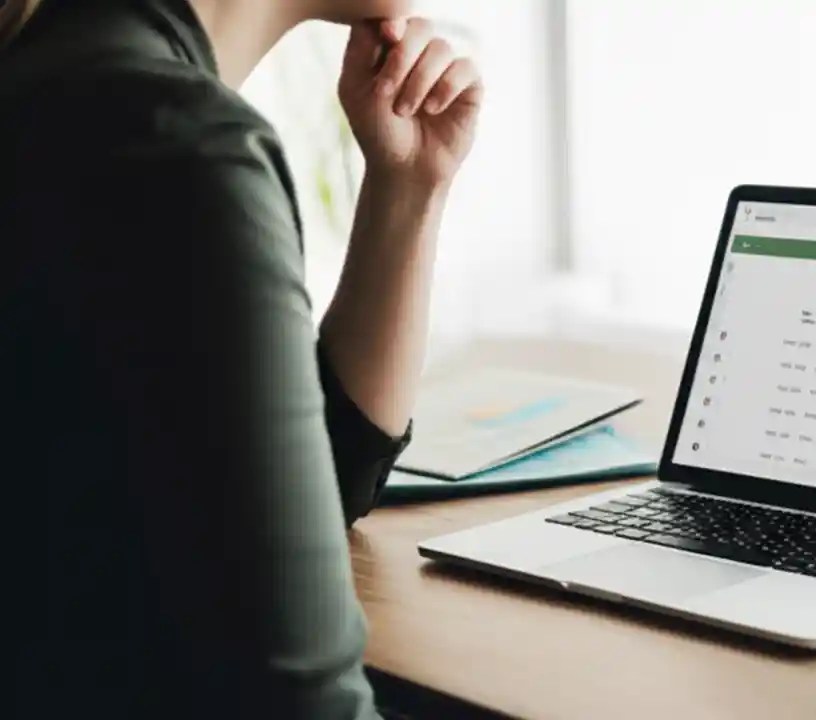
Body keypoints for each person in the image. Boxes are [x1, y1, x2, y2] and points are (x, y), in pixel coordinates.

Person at [1, 0, 481, 716]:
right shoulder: (175, 153)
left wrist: (408, 188)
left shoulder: (80, 80)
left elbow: (288, 502)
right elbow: (298, 703)